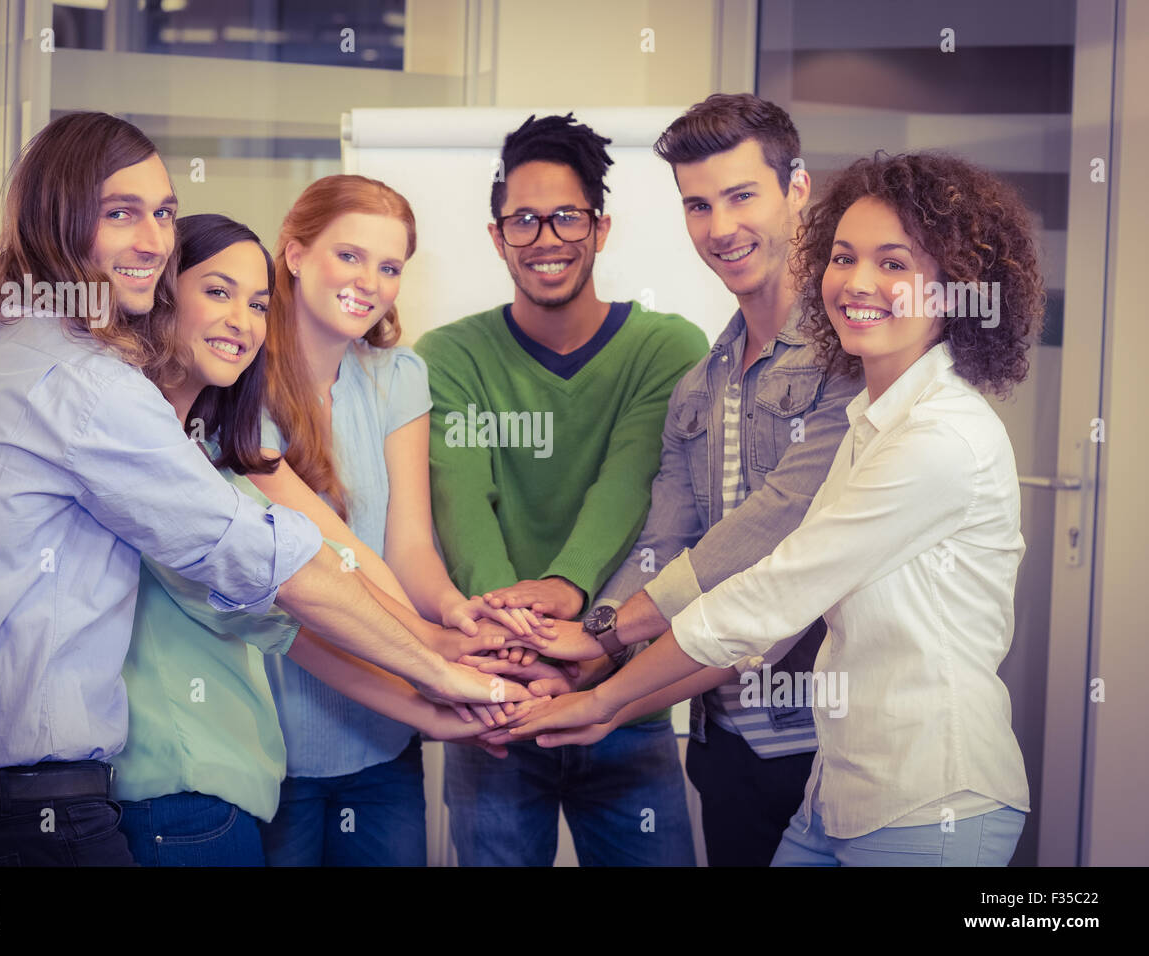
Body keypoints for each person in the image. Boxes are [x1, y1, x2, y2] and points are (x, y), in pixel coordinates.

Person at [0, 112, 522, 867]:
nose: (151, 239)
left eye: (164, 212)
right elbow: (284, 579)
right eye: (121, 212)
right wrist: (438, 671)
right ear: (57, 218)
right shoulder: (97, 394)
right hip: (76, 806)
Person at [509, 150, 1044, 867]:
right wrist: (606, 703)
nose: (857, 283)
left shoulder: (940, 438)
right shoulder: (869, 422)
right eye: (844, 257)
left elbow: (767, 595)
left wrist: (601, 684)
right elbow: (760, 626)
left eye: (894, 265)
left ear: (954, 291)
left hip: (928, 806)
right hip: (839, 796)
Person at [491, 93, 865, 866]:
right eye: (698, 205)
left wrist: (607, 647)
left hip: (832, 738)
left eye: (740, 196)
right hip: (724, 741)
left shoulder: (854, 362)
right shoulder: (699, 385)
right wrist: (585, 640)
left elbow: (774, 527)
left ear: (797, 189)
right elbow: (664, 541)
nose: (720, 228)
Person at [110, 213, 520, 866]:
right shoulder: (138, 440)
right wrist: (437, 663)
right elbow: (310, 585)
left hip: (231, 784)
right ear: (161, 293)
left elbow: (292, 623)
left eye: (255, 304)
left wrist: (434, 705)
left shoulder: (212, 453)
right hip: (170, 794)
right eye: (216, 292)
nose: (242, 322)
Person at [414, 113, 709, 866]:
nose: (546, 238)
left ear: (600, 228)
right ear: (497, 235)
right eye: (524, 220)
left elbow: (632, 492)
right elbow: (460, 504)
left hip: (625, 695)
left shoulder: (665, 347)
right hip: (498, 699)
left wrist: (572, 601)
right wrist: (524, 653)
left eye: (567, 216)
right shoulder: (447, 356)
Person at [249, 174, 543, 867]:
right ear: (293, 253)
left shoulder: (397, 376)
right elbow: (319, 569)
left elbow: (407, 542)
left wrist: (451, 613)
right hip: (269, 740)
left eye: (389, 266)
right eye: (349, 256)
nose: (370, 281)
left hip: (382, 739)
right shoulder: (235, 386)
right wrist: (431, 650)